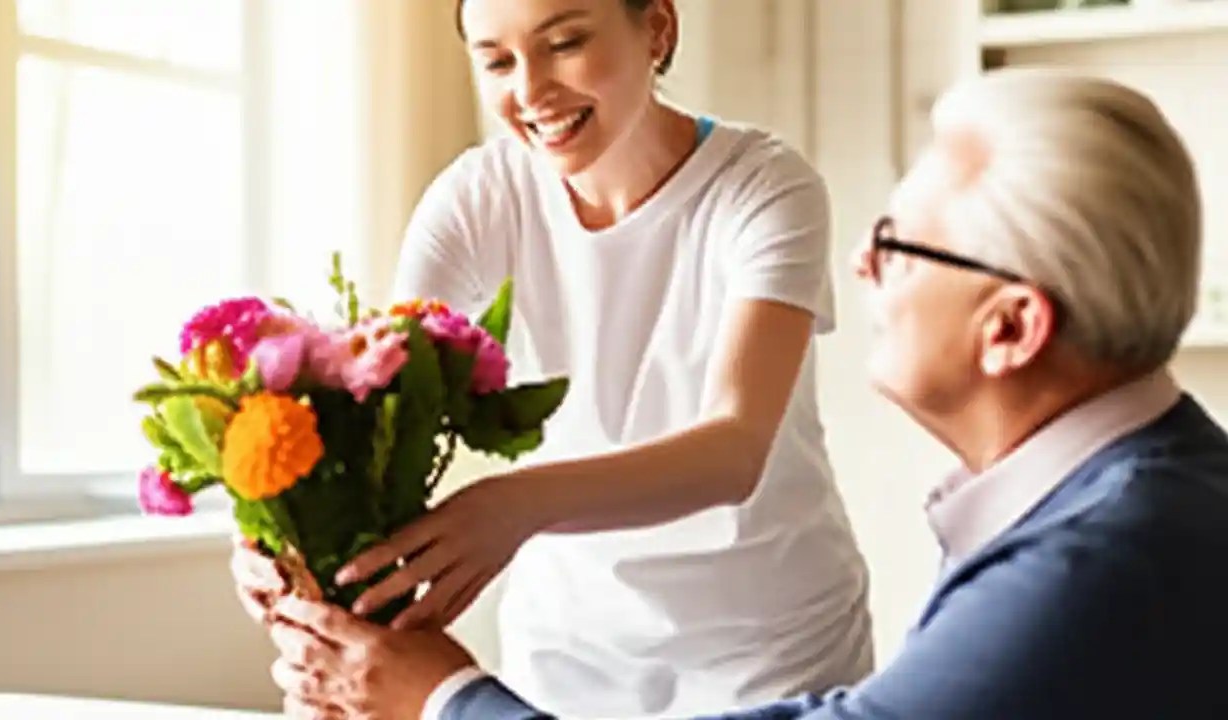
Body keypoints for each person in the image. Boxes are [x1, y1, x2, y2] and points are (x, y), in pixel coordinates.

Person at [260, 68, 1228, 719]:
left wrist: (446, 700)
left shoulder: (1094, 562)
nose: (857, 266)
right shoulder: (1138, 491)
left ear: (1011, 326)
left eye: (896, 245)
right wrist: (289, 534)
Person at [233, 0, 875, 717]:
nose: (531, 91)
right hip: (565, 662)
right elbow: (376, 406)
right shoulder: (478, 199)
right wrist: (283, 537)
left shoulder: (764, 189)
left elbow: (735, 448)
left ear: (658, 27)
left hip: (767, 655)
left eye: (565, 43)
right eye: (498, 62)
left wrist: (517, 506)